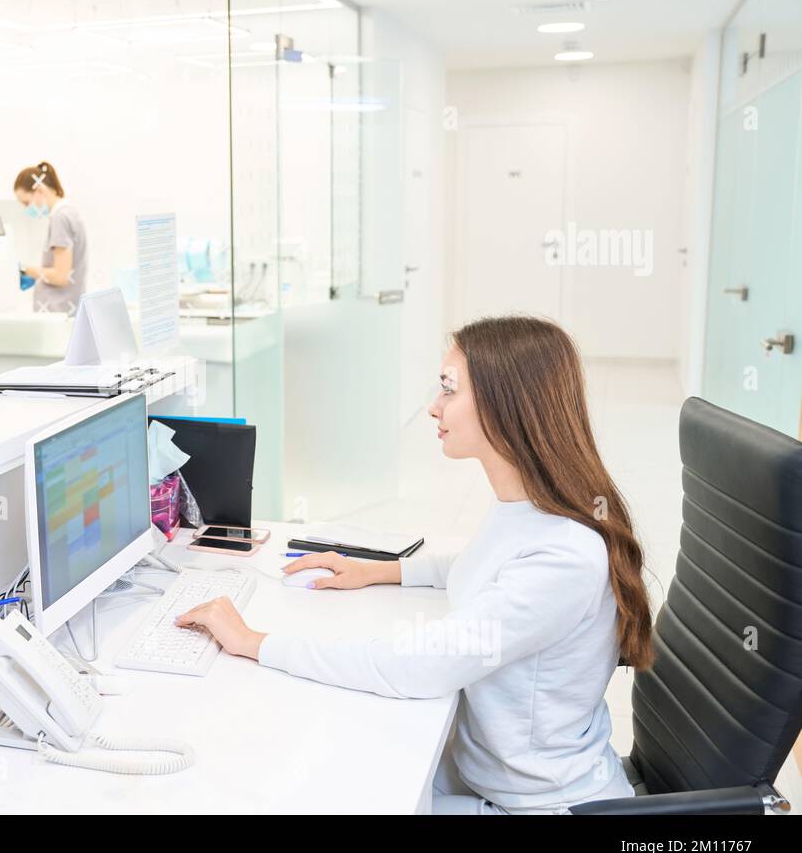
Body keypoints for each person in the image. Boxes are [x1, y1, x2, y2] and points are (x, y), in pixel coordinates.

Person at [176, 315, 655, 814]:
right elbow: (480, 565)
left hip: (537, 805)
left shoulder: (564, 557)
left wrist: (254, 642)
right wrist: (379, 571)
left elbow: (416, 668)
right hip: (489, 771)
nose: (433, 407)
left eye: (449, 390)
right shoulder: (533, 508)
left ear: (504, 407)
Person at [13, 161, 87, 316]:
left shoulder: (60, 218)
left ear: (39, 190)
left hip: (58, 313)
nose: (28, 209)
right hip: (65, 310)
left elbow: (61, 276)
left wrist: (24, 270)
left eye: (27, 203)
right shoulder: (69, 212)